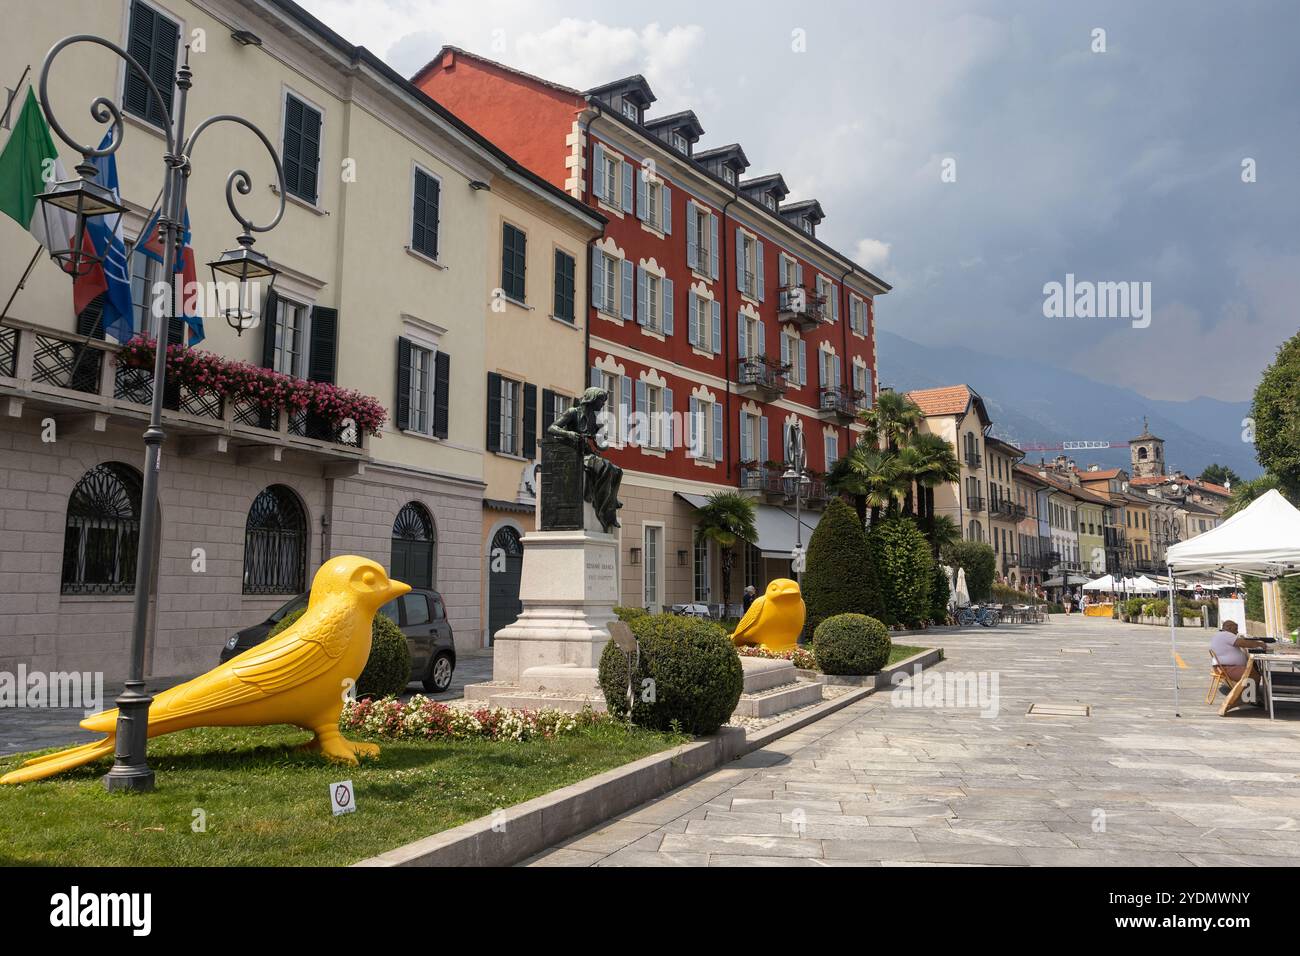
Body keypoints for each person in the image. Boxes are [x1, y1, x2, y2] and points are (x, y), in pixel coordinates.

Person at [1211, 619, 1267, 685]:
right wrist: (1259, 644)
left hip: (1223, 667)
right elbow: (1243, 643)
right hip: (1227, 669)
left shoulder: (1219, 635)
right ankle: (1250, 694)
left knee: (1253, 669)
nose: (1237, 632)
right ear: (1229, 627)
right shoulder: (1226, 635)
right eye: (1235, 629)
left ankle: (1251, 692)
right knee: (1254, 675)